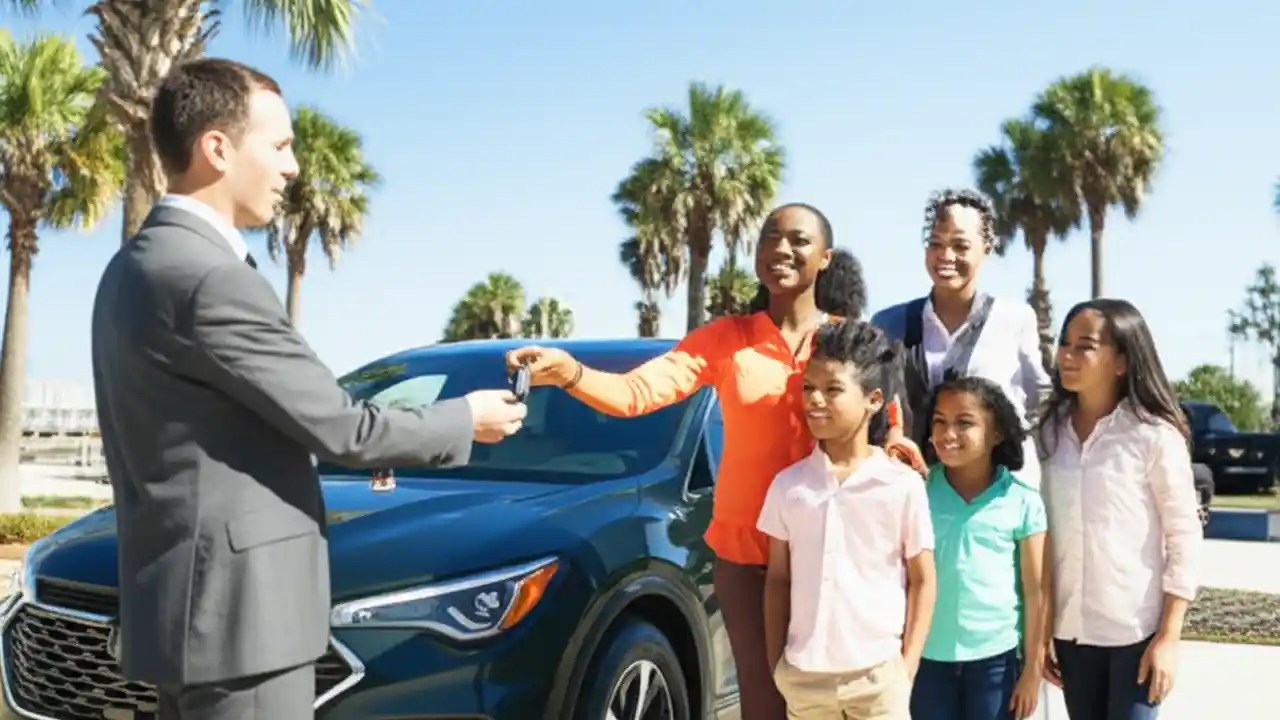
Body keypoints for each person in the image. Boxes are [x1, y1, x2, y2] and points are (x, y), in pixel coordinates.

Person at [91, 58, 527, 719]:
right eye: (280, 145)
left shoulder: (131, 269)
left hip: (186, 619)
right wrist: (464, 417)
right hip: (245, 629)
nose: (291, 167)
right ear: (216, 147)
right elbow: (341, 427)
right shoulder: (211, 278)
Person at [506, 204, 922, 719]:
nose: (781, 250)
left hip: (838, 557)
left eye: (798, 240)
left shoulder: (846, 338)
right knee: (767, 704)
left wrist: (899, 446)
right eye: (770, 237)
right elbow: (638, 391)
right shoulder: (727, 339)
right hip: (748, 556)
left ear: (824, 259)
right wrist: (571, 373)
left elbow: (887, 414)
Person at [757, 319, 935, 720]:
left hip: (878, 681)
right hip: (804, 681)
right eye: (809, 388)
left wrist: (905, 669)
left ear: (873, 400)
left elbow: (923, 579)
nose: (815, 400)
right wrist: (777, 665)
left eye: (833, 389)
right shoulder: (788, 487)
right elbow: (778, 580)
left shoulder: (902, 485)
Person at [1039, 299, 1202, 719]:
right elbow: (1040, 533)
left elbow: (1183, 535)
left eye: (1085, 345)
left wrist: (1169, 636)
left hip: (1136, 635)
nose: (1067, 355)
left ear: (1121, 362)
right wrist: (1040, 633)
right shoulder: (1047, 434)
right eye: (1064, 343)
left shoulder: (1154, 435)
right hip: (1070, 635)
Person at [870, 188, 1051, 488]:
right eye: (935, 244)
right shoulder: (889, 324)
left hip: (990, 501)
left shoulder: (1014, 319)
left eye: (960, 245)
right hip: (909, 495)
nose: (946, 256)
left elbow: (1040, 405)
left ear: (987, 247)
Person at [910, 375, 1048, 720]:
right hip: (926, 661)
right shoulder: (914, 493)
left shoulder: (1022, 501)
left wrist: (1032, 669)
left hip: (996, 665)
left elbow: (1036, 591)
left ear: (997, 433)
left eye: (964, 423)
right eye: (939, 422)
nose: (948, 433)